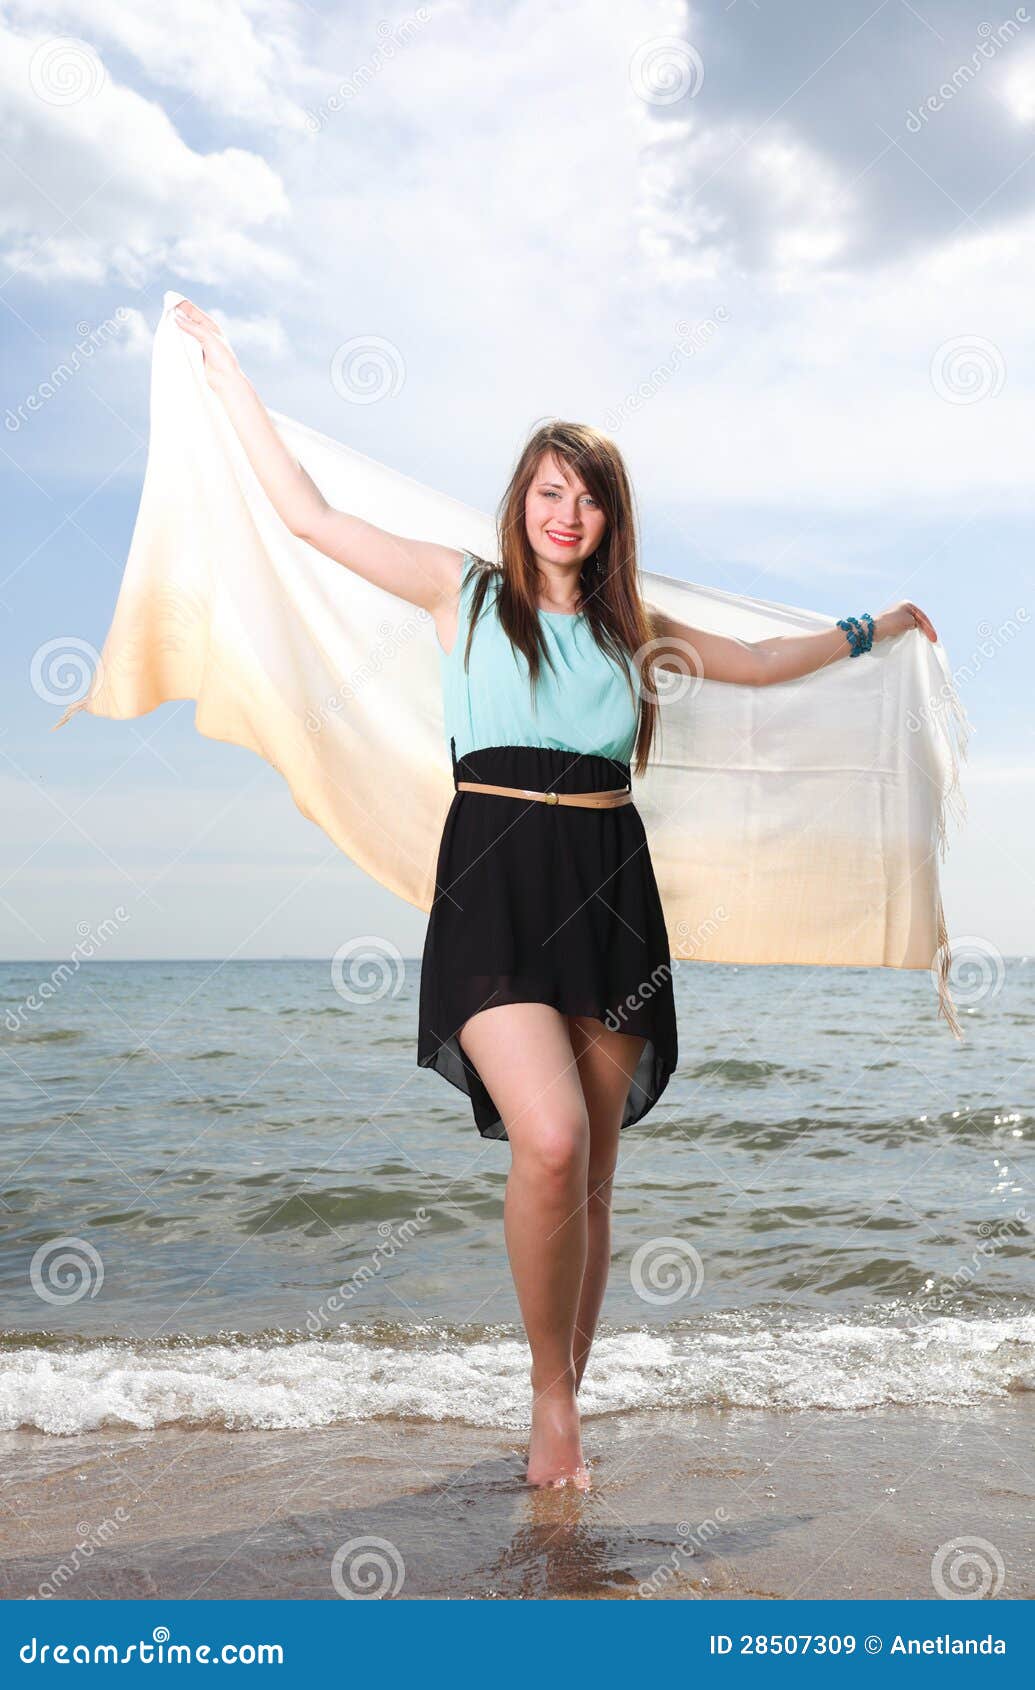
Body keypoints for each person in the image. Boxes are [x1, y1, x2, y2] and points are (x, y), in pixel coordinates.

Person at [172, 299, 938, 1489]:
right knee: (550, 1138)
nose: (565, 512)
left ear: (609, 516)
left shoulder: (640, 632)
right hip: (492, 888)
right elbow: (308, 515)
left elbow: (757, 662)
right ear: (519, 503)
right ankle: (548, 1401)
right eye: (547, 490)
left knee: (592, 1178)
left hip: (611, 892)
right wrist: (225, 373)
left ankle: (564, 1403)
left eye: (586, 495)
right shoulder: (460, 592)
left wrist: (872, 624)